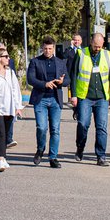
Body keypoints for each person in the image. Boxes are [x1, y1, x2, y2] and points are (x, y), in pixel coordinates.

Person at [70, 31, 110, 166]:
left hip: (102, 97)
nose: (97, 49)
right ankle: (80, 147)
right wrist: (73, 95)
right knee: (83, 124)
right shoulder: (81, 54)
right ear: (91, 43)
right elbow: (74, 75)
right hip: (85, 97)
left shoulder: (107, 55)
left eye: (100, 46)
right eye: (95, 46)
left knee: (101, 127)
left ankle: (101, 156)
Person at [27, 37, 70, 168]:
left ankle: (53, 157)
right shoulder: (35, 62)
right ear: (42, 48)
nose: (47, 51)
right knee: (41, 127)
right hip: (41, 99)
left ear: (53, 48)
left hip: (55, 100)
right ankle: (40, 149)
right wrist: (44, 84)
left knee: (55, 130)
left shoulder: (60, 62)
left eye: (50, 49)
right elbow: (30, 79)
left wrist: (62, 82)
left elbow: (68, 80)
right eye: (45, 48)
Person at [59, 33, 83, 120]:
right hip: (72, 75)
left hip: (81, 76)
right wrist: (71, 46)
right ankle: (75, 110)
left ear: (81, 41)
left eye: (78, 40)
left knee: (80, 94)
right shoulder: (69, 50)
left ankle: (79, 110)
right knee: (74, 94)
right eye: (75, 40)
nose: (76, 41)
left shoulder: (84, 51)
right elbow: (63, 56)